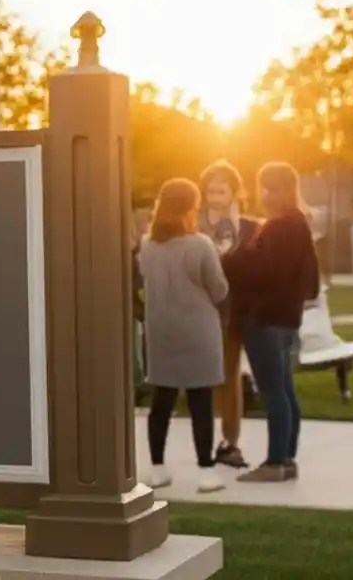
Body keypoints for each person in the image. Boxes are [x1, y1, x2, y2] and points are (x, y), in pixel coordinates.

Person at [224, 162, 320, 483]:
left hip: (265, 318)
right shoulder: (298, 224)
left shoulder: (281, 227)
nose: (262, 194)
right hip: (286, 318)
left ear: (278, 189)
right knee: (285, 391)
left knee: (273, 393)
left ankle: (275, 461)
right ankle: (287, 459)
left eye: (267, 187)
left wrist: (230, 258)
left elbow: (261, 270)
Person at [138, 178, 230, 494]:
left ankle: (158, 468)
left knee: (161, 401)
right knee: (200, 402)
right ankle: (206, 471)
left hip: (161, 331)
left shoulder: (147, 245)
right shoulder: (200, 245)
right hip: (197, 332)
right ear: (191, 208)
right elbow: (218, 289)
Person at [197, 160, 260, 468]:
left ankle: (230, 442)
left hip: (233, 312)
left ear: (234, 193)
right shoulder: (193, 225)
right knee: (202, 379)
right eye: (210, 191)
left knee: (230, 377)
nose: (215, 197)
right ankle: (205, 441)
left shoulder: (249, 227)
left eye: (221, 191)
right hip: (198, 311)